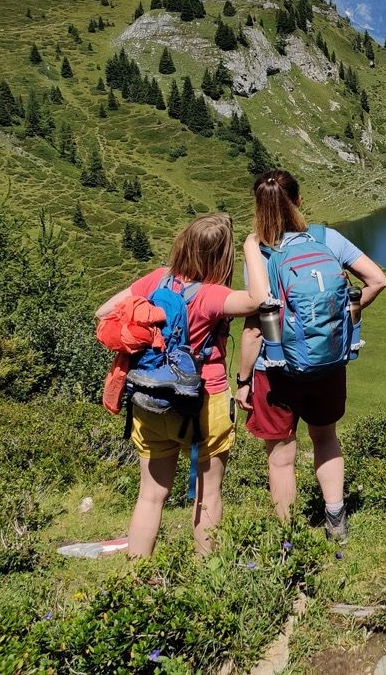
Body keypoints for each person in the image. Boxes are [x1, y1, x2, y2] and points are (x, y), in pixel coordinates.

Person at [95, 214, 270, 557]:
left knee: (150, 495)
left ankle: (136, 574)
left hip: (150, 398)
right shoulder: (212, 296)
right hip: (203, 402)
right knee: (209, 494)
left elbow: (104, 312)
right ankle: (208, 575)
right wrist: (251, 246)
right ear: (221, 257)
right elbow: (258, 300)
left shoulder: (156, 280)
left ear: (183, 245)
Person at [237, 169, 386, 542]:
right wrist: (343, 321)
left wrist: (242, 380)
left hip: (276, 370)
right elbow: (377, 280)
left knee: (281, 455)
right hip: (328, 363)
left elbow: (256, 323)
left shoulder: (259, 251)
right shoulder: (325, 238)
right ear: (299, 201)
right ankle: (336, 521)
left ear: (258, 208)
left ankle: (289, 540)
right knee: (325, 438)